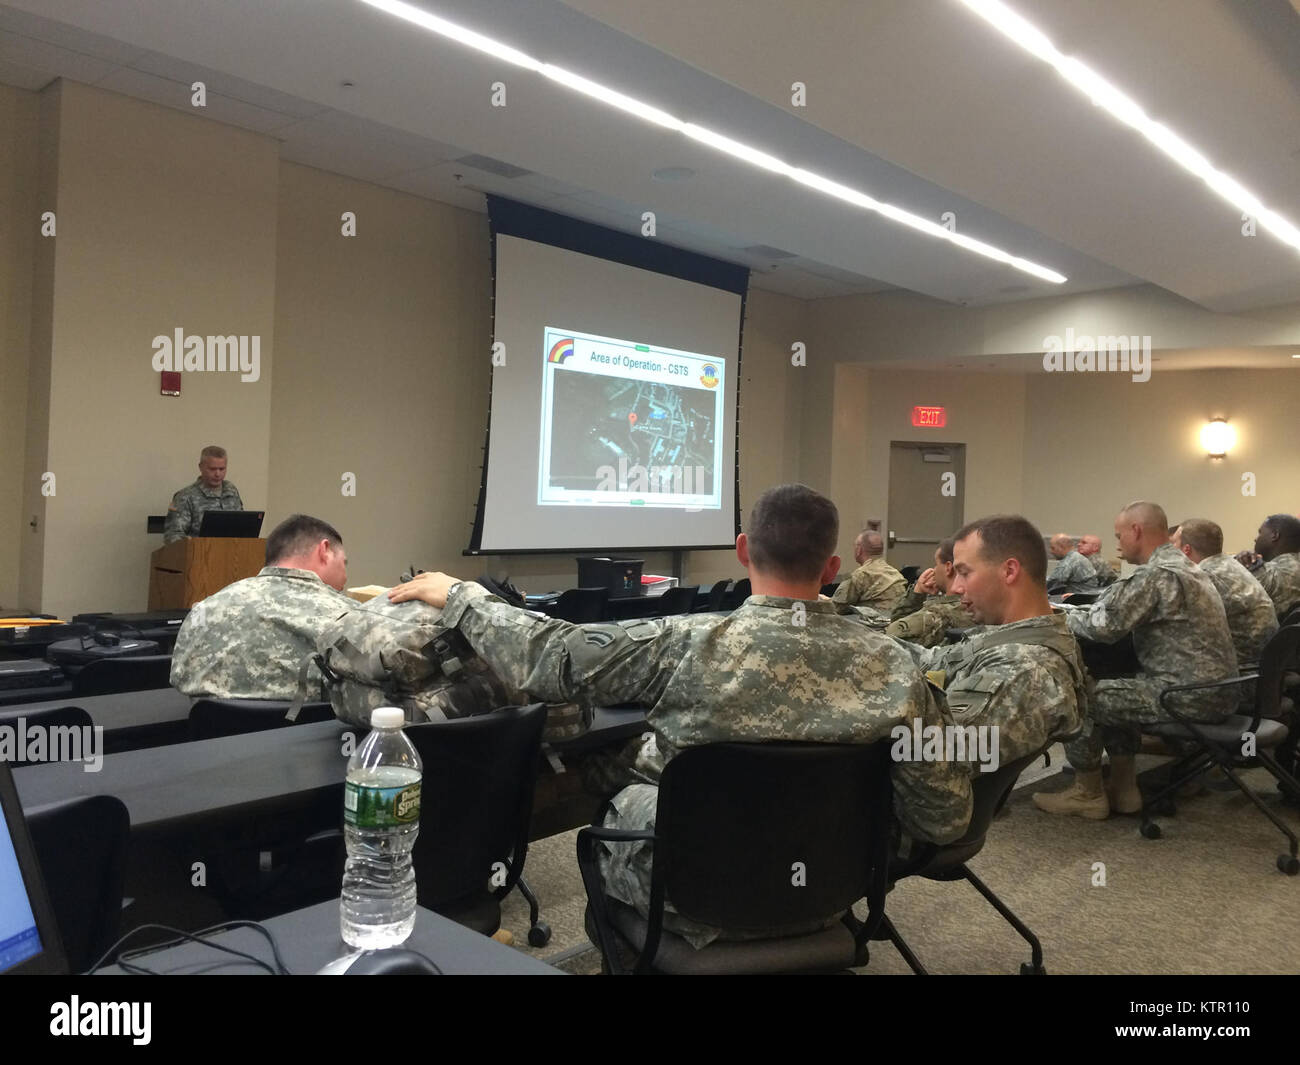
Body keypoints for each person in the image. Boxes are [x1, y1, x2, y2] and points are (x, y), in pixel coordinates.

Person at [389, 484, 972, 948]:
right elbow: (944, 818)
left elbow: (554, 658)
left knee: (626, 792)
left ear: (744, 550)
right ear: (831, 568)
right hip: (828, 892)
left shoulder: (685, 642)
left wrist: (464, 596)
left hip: (686, 896)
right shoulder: (899, 669)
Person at [1033, 502, 1237, 820]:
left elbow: (1103, 628)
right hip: (1217, 691)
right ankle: (1124, 790)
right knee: (1118, 683)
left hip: (1186, 696)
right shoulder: (1189, 568)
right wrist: (1069, 611)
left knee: (1079, 694)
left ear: (1136, 531)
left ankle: (1088, 792)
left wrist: (1050, 614)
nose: (1117, 543)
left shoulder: (1156, 575)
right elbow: (1112, 615)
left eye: (1119, 535)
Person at [894, 517, 1087, 772]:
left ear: (1009, 571)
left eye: (964, 573)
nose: (958, 587)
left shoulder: (1023, 669)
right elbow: (939, 659)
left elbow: (933, 760)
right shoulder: (1012, 636)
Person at [171, 514, 354, 700]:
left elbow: (179, 679)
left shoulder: (203, 609)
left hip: (210, 726)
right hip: (308, 727)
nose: (345, 577)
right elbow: (376, 679)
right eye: (344, 563)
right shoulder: (349, 617)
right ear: (325, 551)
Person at [1173, 518, 1277, 666]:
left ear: (1186, 549)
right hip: (1264, 665)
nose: (1170, 550)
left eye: (1173, 544)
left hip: (1243, 671)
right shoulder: (1230, 564)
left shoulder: (1205, 576)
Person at [885, 539, 974, 647]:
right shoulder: (979, 608)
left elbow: (892, 634)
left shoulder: (936, 615)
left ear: (948, 568)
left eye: (936, 564)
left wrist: (917, 593)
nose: (934, 570)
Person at [164, 445, 244, 543]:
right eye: (212, 469)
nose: (218, 474)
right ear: (201, 467)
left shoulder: (231, 491)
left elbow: (242, 529)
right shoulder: (185, 496)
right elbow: (172, 536)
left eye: (222, 469)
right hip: (200, 555)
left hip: (233, 554)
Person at [1235, 514, 1300, 618]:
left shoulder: (1270, 573)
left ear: (1274, 535)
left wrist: (1242, 562)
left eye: (1260, 533)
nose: (1255, 539)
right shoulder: (1293, 565)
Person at [831, 530, 907, 612]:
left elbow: (836, 607)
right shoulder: (895, 573)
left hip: (873, 623)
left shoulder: (861, 574)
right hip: (894, 620)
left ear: (859, 550)